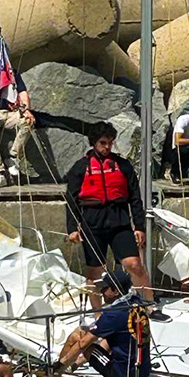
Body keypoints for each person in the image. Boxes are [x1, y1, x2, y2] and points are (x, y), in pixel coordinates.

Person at [65, 121, 151, 310]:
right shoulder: (80, 168)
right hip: (92, 223)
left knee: (134, 264)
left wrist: (139, 226)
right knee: (95, 272)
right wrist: (72, 228)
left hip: (119, 221)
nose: (107, 147)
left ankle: (149, 306)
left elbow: (135, 197)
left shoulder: (123, 165)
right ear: (94, 142)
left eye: (110, 143)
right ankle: (97, 313)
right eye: (103, 143)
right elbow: (71, 201)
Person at [54, 268, 151, 377]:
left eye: (105, 288)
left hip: (122, 374)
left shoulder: (113, 315)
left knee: (78, 335)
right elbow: (109, 342)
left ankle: (57, 373)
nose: (101, 291)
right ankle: (72, 366)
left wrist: (60, 364)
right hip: (143, 372)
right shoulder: (138, 302)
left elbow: (83, 343)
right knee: (110, 338)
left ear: (115, 291)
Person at [0, 26, 36, 187]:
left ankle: (13, 157)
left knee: (27, 121)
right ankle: (0, 171)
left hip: (8, 112)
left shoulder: (10, 72)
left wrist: (26, 109)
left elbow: (22, 92)